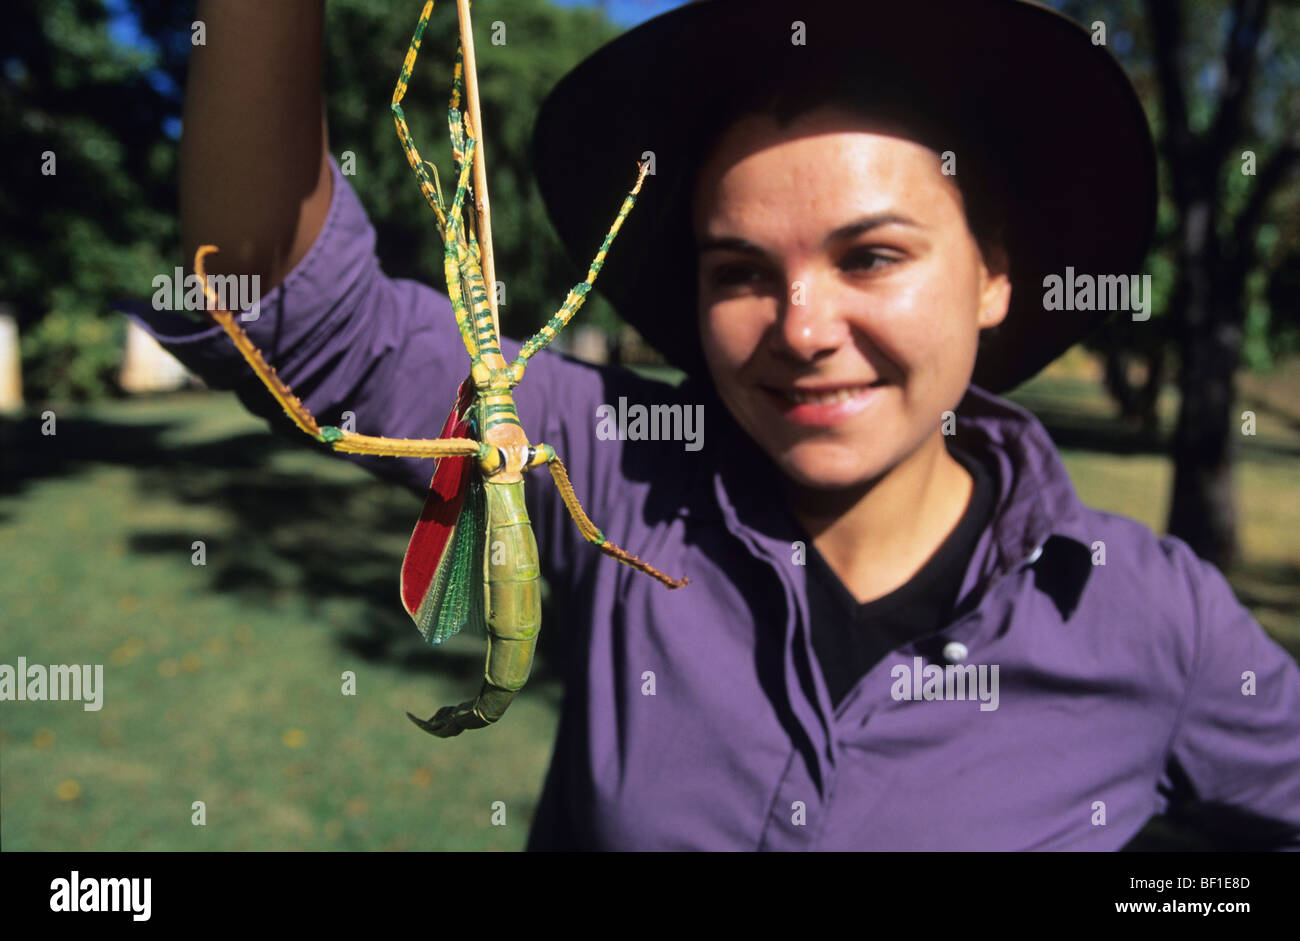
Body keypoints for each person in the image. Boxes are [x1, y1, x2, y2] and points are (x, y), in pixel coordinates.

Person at [132, 0, 1300, 850]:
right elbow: (275, 306)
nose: (800, 327)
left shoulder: (1158, 618)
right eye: (738, 268)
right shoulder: (613, 465)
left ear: (994, 276)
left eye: (872, 254)